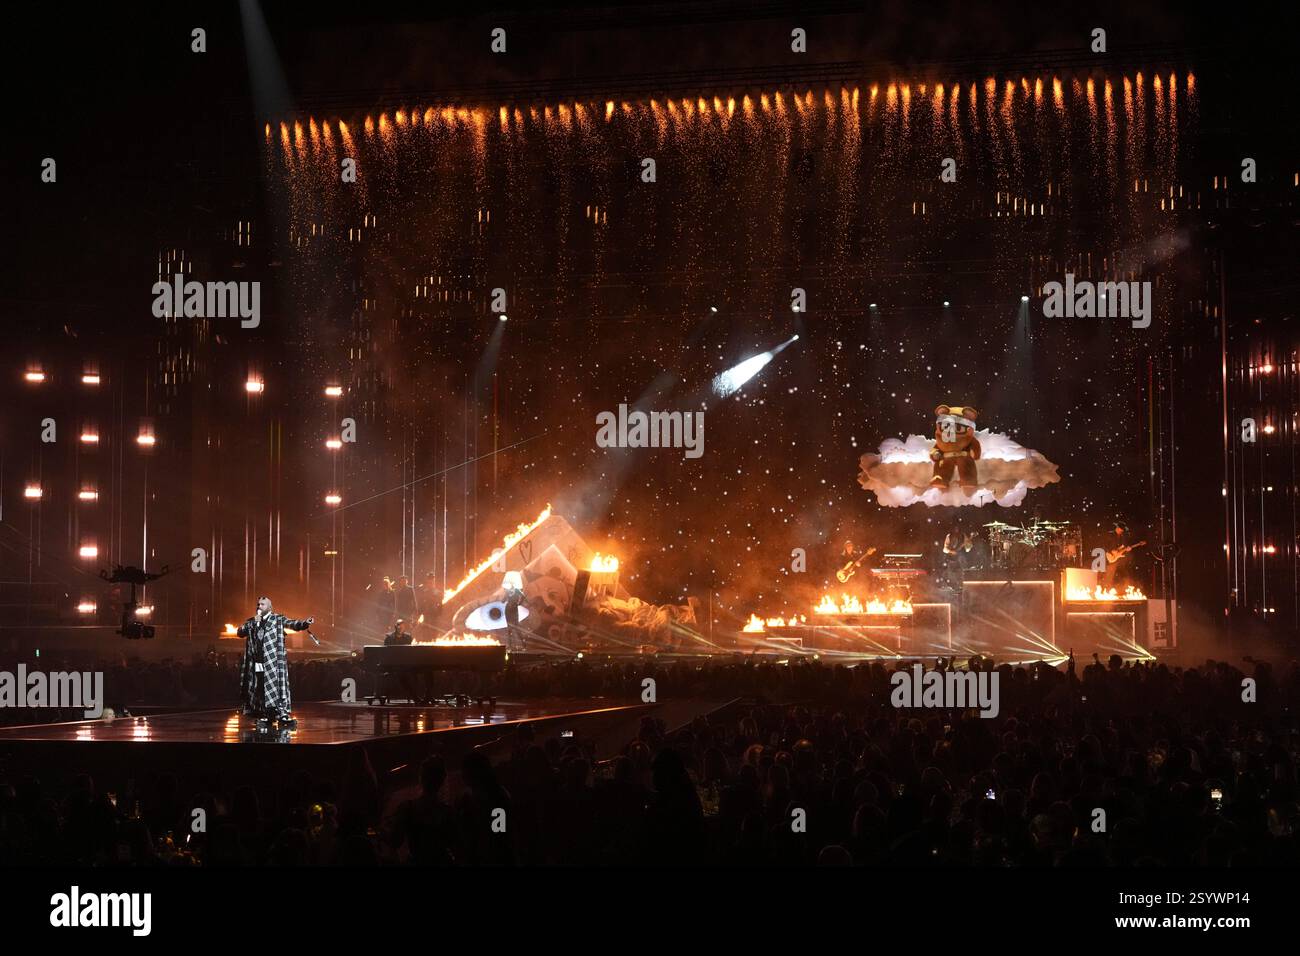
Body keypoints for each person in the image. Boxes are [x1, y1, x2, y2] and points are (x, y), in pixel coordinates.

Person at [237, 596, 313, 727]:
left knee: (276, 686)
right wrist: (252, 622)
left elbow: (293, 624)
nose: (259, 606)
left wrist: (305, 623)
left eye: (263, 604)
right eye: (258, 604)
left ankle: (281, 713)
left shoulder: (278, 619)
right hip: (258, 662)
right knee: (260, 686)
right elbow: (240, 632)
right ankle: (266, 713)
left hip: (273, 662)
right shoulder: (255, 621)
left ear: (270, 607)